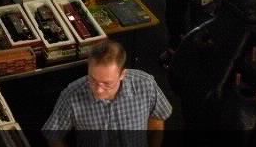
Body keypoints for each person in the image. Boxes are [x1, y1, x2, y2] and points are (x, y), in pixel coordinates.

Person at [42, 40, 170, 144]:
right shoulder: (71, 95)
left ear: (122, 74)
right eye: (92, 79)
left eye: (107, 83)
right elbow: (53, 136)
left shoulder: (145, 85)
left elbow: (157, 122)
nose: (98, 89)